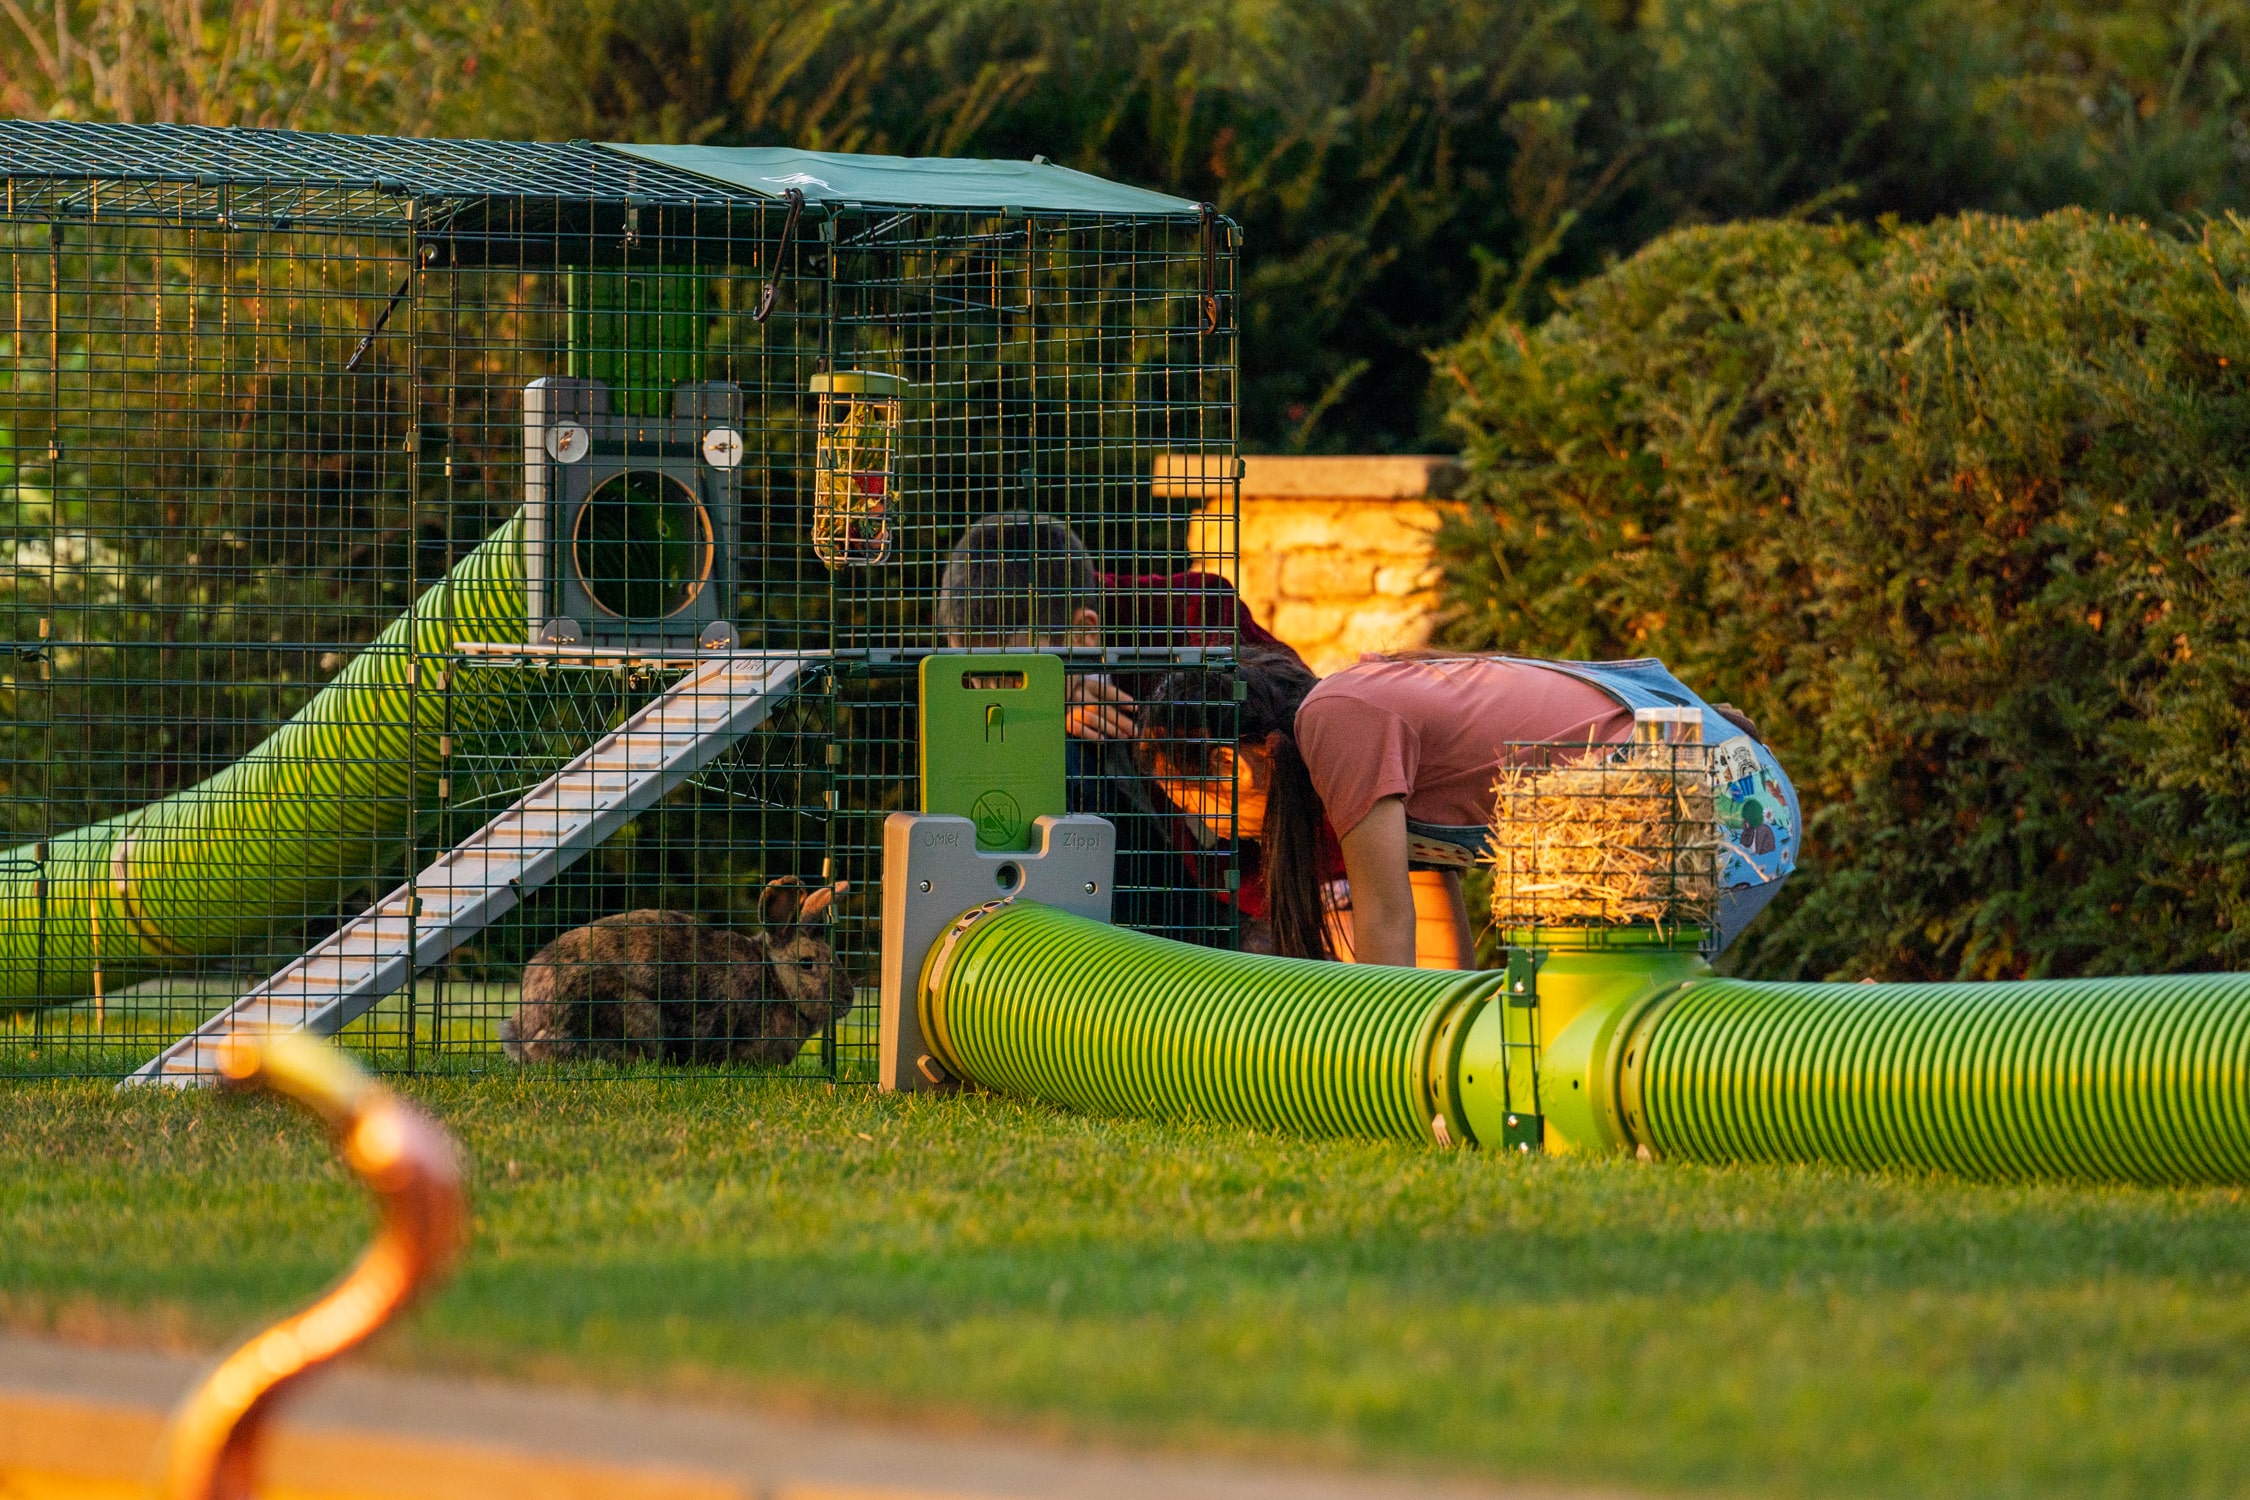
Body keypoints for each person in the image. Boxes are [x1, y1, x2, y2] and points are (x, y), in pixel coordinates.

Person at [1138, 651, 1795, 968]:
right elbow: (1437, 948)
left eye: (1193, 801)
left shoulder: (1336, 722)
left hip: (1709, 802)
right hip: (1717, 789)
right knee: (1560, 1005)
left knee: (1588, 1010)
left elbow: (1385, 925)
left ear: (1229, 763)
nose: (1209, 827)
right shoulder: (1358, 741)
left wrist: (1374, 1078)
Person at [934, 512, 1302, 944]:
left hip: (1243, 888)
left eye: (1014, 679)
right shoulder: (1037, 631)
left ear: (1085, 634)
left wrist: (1152, 717)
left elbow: (1289, 740)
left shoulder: (1192, 615)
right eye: (978, 680)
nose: (999, 702)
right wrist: (1042, 718)